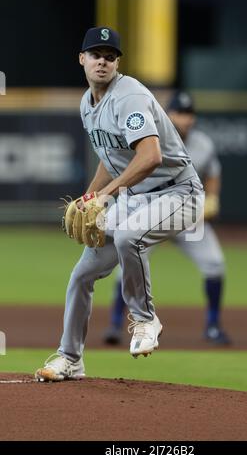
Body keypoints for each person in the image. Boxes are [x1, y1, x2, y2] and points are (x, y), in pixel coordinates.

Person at [35, 27, 204, 382]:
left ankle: (145, 320)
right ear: (82, 59)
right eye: (96, 55)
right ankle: (70, 359)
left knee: (130, 237)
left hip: (178, 192)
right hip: (136, 197)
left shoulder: (128, 97)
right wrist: (90, 196)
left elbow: (151, 156)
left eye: (110, 57)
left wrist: (109, 193)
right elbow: (111, 157)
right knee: (82, 275)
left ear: (117, 64)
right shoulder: (87, 104)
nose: (102, 62)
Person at [103, 91, 231, 346]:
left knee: (215, 264)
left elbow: (213, 172)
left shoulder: (203, 143)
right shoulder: (149, 138)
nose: (185, 119)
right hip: (150, 211)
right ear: (167, 114)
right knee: (128, 261)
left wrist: (213, 198)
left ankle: (214, 325)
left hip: (187, 216)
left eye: (189, 114)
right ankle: (116, 323)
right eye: (179, 113)